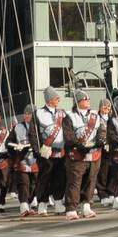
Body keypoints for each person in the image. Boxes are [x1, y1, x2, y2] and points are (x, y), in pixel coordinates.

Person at [62, 90, 104, 219]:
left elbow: (101, 130)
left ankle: (86, 205)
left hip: (93, 154)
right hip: (77, 153)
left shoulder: (96, 116)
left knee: (91, 180)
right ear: (78, 102)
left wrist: (99, 141)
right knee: (75, 180)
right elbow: (68, 134)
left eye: (88, 99)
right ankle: (71, 208)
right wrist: (78, 145)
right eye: (85, 99)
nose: (88, 101)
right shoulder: (69, 117)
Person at [31, 86, 67, 215]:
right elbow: (33, 134)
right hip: (46, 152)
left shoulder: (62, 113)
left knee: (60, 178)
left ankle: (58, 203)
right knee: (44, 179)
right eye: (57, 98)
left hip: (61, 151)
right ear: (50, 99)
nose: (59, 99)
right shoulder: (38, 113)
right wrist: (37, 151)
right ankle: (42, 204)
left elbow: (67, 130)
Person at [8, 105, 39, 216]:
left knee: (34, 184)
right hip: (22, 159)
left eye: (29, 113)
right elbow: (9, 142)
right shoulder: (17, 127)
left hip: (36, 160)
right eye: (25, 113)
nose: (27, 116)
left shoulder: (39, 127)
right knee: (23, 183)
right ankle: (24, 205)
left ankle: (30, 202)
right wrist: (15, 147)